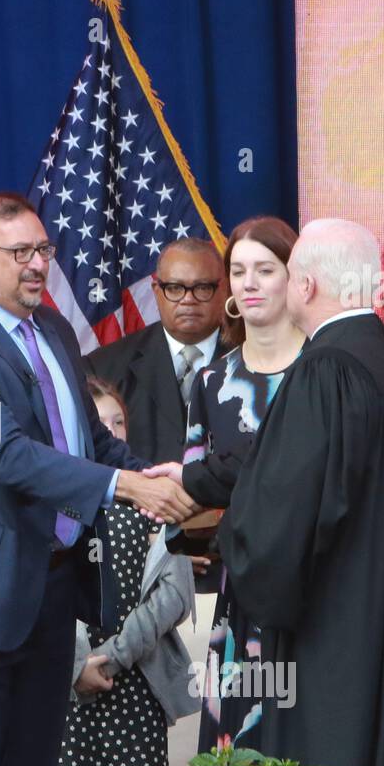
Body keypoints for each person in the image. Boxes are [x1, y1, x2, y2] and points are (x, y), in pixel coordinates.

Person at [0, 191, 195, 766]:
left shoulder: (55, 329)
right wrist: (125, 488)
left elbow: (88, 440)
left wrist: (151, 472)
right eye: (20, 252)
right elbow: (9, 456)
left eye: (43, 249)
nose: (37, 264)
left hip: (52, 585)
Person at [212, 218, 384, 766]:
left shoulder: (325, 371)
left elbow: (282, 517)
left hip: (337, 637)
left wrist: (235, 539)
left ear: (305, 286)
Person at [160, 216, 304, 753]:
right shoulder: (211, 381)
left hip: (321, 594)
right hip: (241, 592)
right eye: (238, 271)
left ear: (297, 277)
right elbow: (194, 496)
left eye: (265, 269)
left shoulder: (325, 369)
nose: (249, 283)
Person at [54, 378, 198, 766]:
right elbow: (49, 589)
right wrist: (80, 665)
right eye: (100, 423)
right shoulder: (55, 496)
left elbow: (173, 596)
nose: (112, 431)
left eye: (119, 422)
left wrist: (112, 658)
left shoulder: (154, 501)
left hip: (137, 676)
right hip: (69, 678)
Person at [86, 238, 236, 590]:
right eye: (174, 288)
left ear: (223, 288)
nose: (187, 298)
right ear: (155, 290)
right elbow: (90, 473)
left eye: (202, 287)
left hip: (236, 572)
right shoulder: (103, 367)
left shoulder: (258, 364)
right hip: (137, 576)